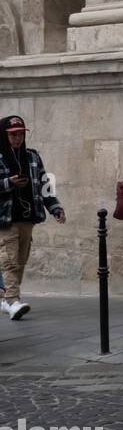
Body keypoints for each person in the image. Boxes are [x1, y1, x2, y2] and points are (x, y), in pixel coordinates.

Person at [1, 115, 67, 321]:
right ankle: (12, 301)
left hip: (28, 217)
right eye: (13, 135)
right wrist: (8, 183)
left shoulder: (32, 156)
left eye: (21, 134)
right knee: (9, 261)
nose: (18, 138)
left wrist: (55, 208)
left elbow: (46, 184)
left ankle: (5, 297)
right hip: (5, 219)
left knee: (20, 261)